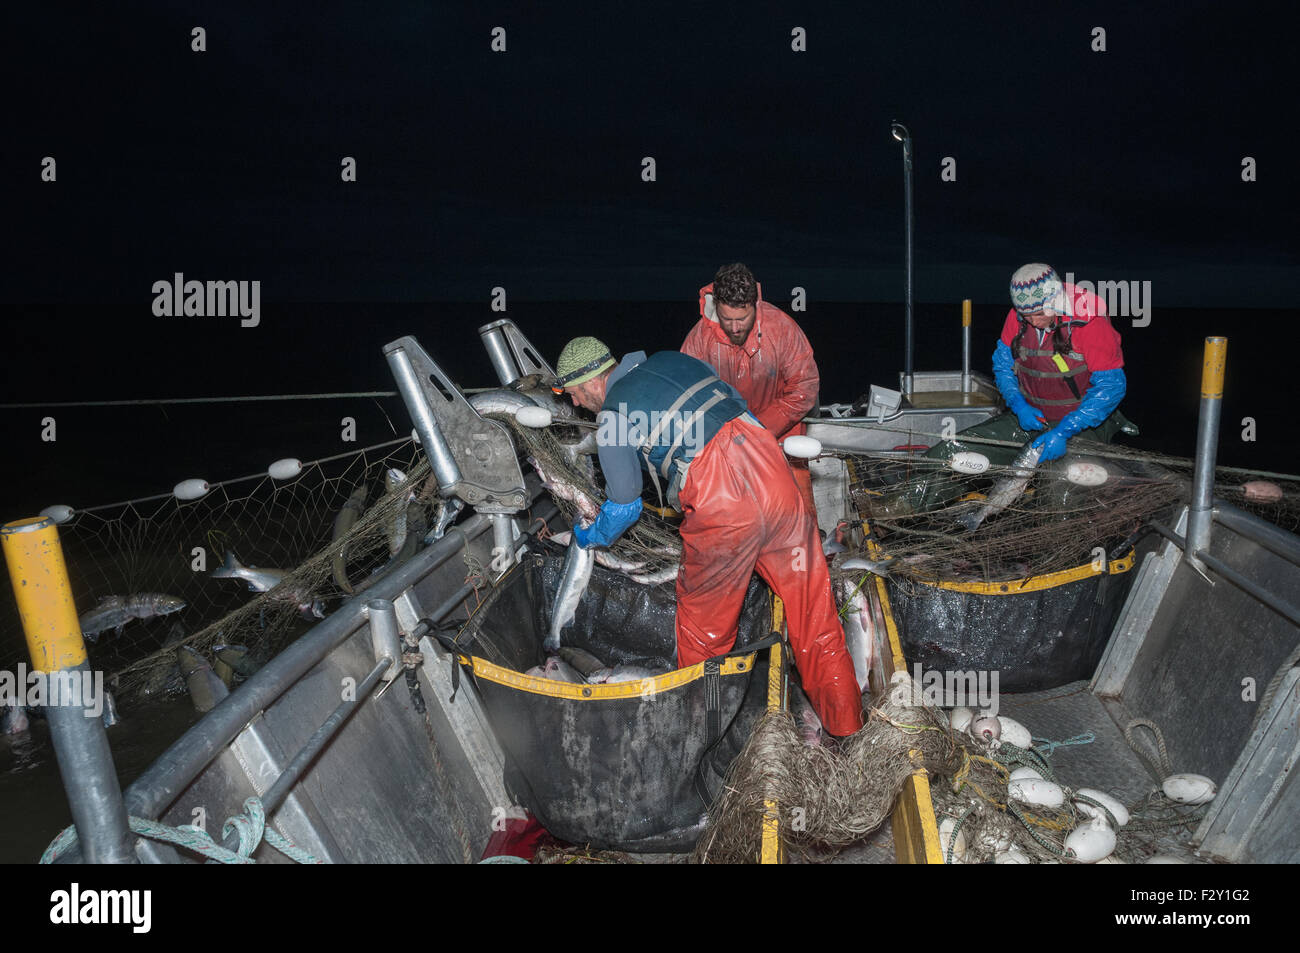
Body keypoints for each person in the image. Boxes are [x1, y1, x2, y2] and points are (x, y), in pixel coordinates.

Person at [552, 336, 863, 737]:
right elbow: (730, 412)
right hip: (775, 479)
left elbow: (625, 506)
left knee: (704, 638)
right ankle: (848, 729)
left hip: (724, 506)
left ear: (592, 380)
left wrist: (587, 536)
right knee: (815, 617)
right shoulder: (672, 358)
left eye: (574, 394)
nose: (576, 404)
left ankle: (702, 740)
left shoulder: (612, 415)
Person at [877, 263, 1133, 516]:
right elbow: (1002, 365)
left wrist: (1066, 429)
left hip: (1084, 425)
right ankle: (891, 512)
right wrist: (1018, 404)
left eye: (1039, 313)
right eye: (1026, 315)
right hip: (1033, 417)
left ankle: (1054, 548)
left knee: (1057, 490)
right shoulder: (1019, 318)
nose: (1033, 321)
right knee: (950, 452)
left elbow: (1111, 388)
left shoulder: (1090, 324)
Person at [682, 263, 821, 518]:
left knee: (796, 517)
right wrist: (721, 436)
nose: (735, 328)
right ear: (717, 309)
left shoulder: (782, 329)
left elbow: (806, 388)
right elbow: (685, 396)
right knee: (728, 520)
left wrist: (758, 430)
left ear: (755, 305)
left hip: (778, 436)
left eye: (742, 319)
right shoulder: (699, 338)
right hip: (724, 442)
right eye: (727, 319)